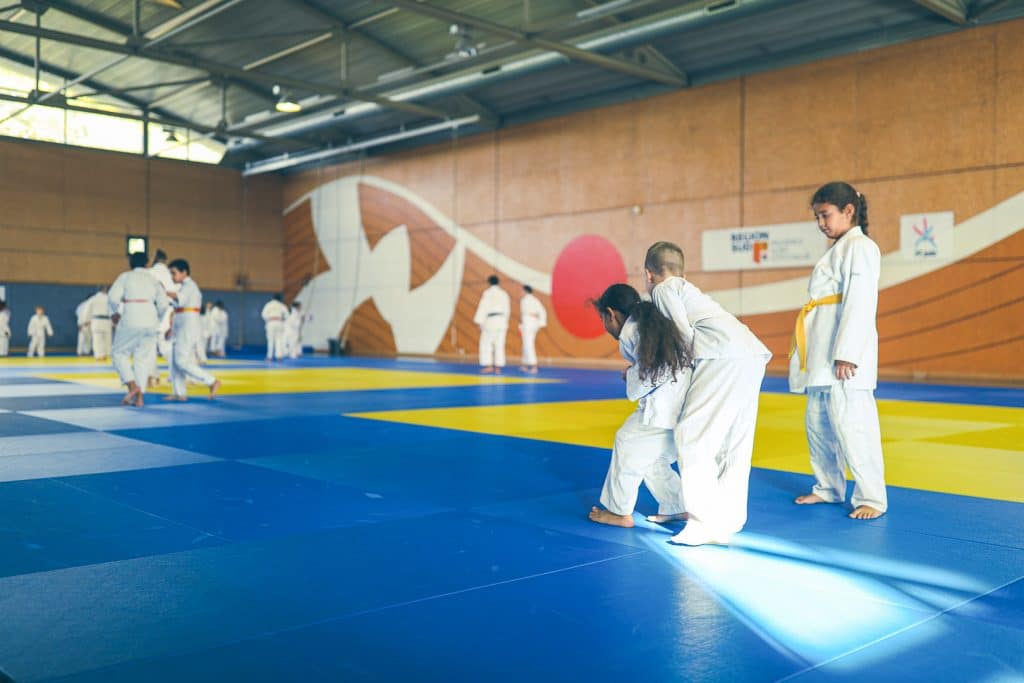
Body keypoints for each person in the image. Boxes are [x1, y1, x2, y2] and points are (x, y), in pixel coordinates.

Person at [646, 241, 771, 546]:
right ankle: (728, 519)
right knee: (734, 442)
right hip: (751, 354)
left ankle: (701, 522)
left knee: (692, 435)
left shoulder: (663, 289)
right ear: (683, 272)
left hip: (722, 356)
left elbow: (681, 337)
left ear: (649, 275)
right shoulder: (688, 290)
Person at [791, 181, 887, 520]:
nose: (821, 223)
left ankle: (872, 497)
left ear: (849, 211)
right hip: (821, 353)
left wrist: (847, 352)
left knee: (854, 424)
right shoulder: (840, 248)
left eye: (825, 215)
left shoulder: (860, 247)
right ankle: (828, 487)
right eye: (817, 216)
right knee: (819, 424)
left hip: (844, 357)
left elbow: (860, 302)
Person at [588, 284, 691, 529]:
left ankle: (619, 511)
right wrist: (635, 372)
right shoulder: (649, 324)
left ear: (611, 314)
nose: (605, 326)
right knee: (652, 459)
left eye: (604, 319)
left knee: (626, 441)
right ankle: (677, 505)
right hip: (678, 402)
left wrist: (632, 376)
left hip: (665, 407)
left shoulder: (634, 330)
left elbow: (657, 369)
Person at [109, 251, 169, 407]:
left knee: (119, 353)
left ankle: (132, 387)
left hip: (131, 316)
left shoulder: (125, 277)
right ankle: (140, 399)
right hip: (151, 319)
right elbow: (163, 304)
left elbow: (113, 298)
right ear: (147, 263)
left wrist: (114, 313)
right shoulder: (153, 279)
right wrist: (159, 319)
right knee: (142, 359)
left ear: (130, 263)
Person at [165, 259, 220, 401]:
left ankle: (211, 381)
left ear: (184, 272)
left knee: (181, 361)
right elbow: (175, 305)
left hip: (188, 326)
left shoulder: (190, 286)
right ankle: (179, 393)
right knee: (175, 361)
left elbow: (178, 299)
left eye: (174, 273)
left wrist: (162, 291)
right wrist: (170, 327)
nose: (172, 277)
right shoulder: (183, 287)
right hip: (180, 324)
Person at [472, 275, 511, 374]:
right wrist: (505, 321)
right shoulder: (504, 294)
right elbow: (507, 309)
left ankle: (489, 365)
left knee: (486, 343)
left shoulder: (488, 293)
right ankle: (498, 367)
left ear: (489, 283)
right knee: (499, 344)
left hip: (491, 321)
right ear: (498, 282)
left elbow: (483, 307)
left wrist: (479, 321)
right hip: (502, 321)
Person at [149, 250, 176, 384]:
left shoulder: (149, 273)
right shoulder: (172, 273)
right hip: (170, 309)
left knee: (148, 345)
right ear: (165, 260)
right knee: (166, 344)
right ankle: (174, 374)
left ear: (154, 258)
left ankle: (153, 375)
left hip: (151, 310)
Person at [518, 284, 547, 374]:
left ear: (526, 291)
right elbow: (542, 311)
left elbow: (526, 314)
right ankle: (525, 364)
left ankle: (534, 366)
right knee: (526, 343)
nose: (520, 292)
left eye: (522, 291)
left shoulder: (525, 300)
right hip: (533, 324)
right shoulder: (535, 300)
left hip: (528, 323)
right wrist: (541, 322)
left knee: (528, 344)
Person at [261, 294, 289, 361]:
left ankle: (269, 357)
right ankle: (279, 356)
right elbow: (287, 315)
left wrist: (268, 319)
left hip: (271, 322)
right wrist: (283, 319)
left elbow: (263, 314)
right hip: (279, 322)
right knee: (279, 340)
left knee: (270, 341)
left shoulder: (269, 304)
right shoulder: (282, 305)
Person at [87, 285, 112, 361]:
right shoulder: (110, 299)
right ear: (105, 290)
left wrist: (86, 320)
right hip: (107, 321)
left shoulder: (93, 299)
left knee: (97, 339)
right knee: (106, 339)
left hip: (96, 322)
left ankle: (98, 355)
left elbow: (87, 310)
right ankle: (105, 354)